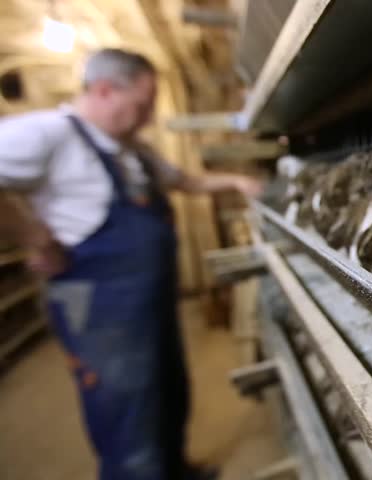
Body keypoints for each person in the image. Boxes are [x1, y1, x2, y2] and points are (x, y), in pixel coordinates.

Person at [0, 48, 261, 480]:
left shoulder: (133, 150)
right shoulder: (50, 134)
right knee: (126, 407)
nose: (148, 117)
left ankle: (173, 470)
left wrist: (235, 180)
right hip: (100, 304)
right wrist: (33, 236)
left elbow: (186, 181)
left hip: (148, 297)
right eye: (142, 105)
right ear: (104, 90)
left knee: (166, 389)